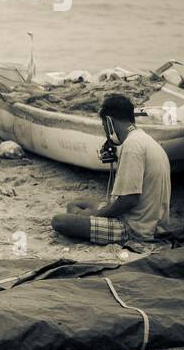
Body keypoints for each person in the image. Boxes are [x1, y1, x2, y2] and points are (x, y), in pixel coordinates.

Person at [52, 94, 172, 245]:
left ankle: (84, 219)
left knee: (59, 221)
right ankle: (83, 218)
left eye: (104, 126)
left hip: (134, 228)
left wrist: (96, 215)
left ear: (109, 121)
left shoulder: (132, 146)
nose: (106, 132)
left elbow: (129, 200)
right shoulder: (146, 140)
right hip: (152, 221)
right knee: (75, 204)